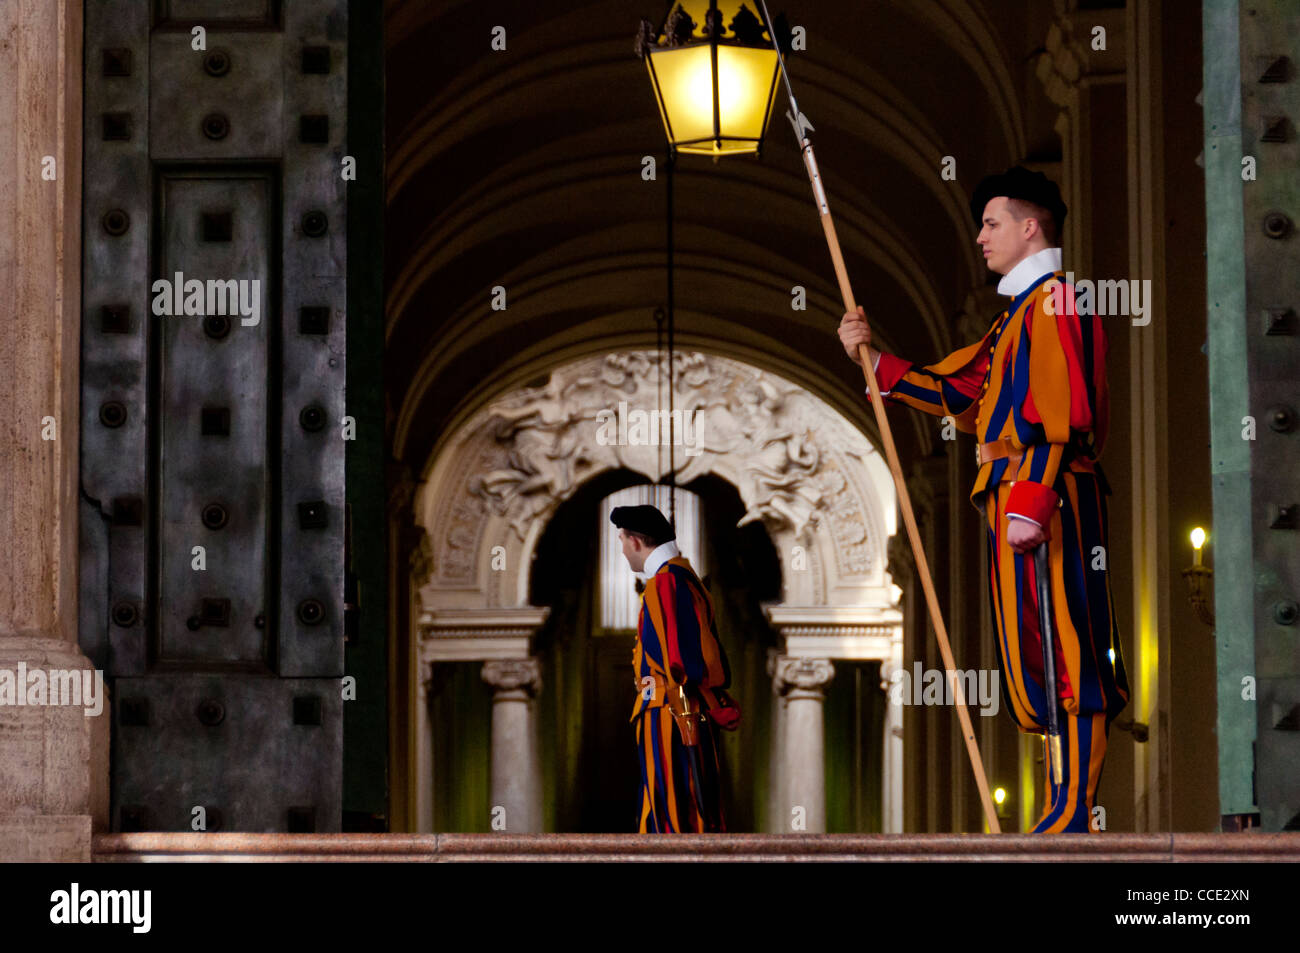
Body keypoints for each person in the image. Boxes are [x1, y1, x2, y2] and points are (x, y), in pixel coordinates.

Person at [837, 166, 1129, 833]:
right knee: (1036, 654)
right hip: (1021, 496)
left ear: (1031, 228)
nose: (979, 237)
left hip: (1046, 494)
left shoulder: (1056, 301)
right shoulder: (1015, 319)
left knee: (1070, 646)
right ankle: (1061, 799)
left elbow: (1065, 409)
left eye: (991, 223)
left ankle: (1076, 808)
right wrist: (874, 361)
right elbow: (960, 393)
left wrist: (1034, 495)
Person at [611, 503, 740, 833]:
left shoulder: (666, 582)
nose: (624, 551)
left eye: (623, 541)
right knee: (679, 807)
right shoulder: (682, 578)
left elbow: (680, 663)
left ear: (636, 542)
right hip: (678, 711)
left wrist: (688, 705)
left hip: (670, 713)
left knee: (672, 811)